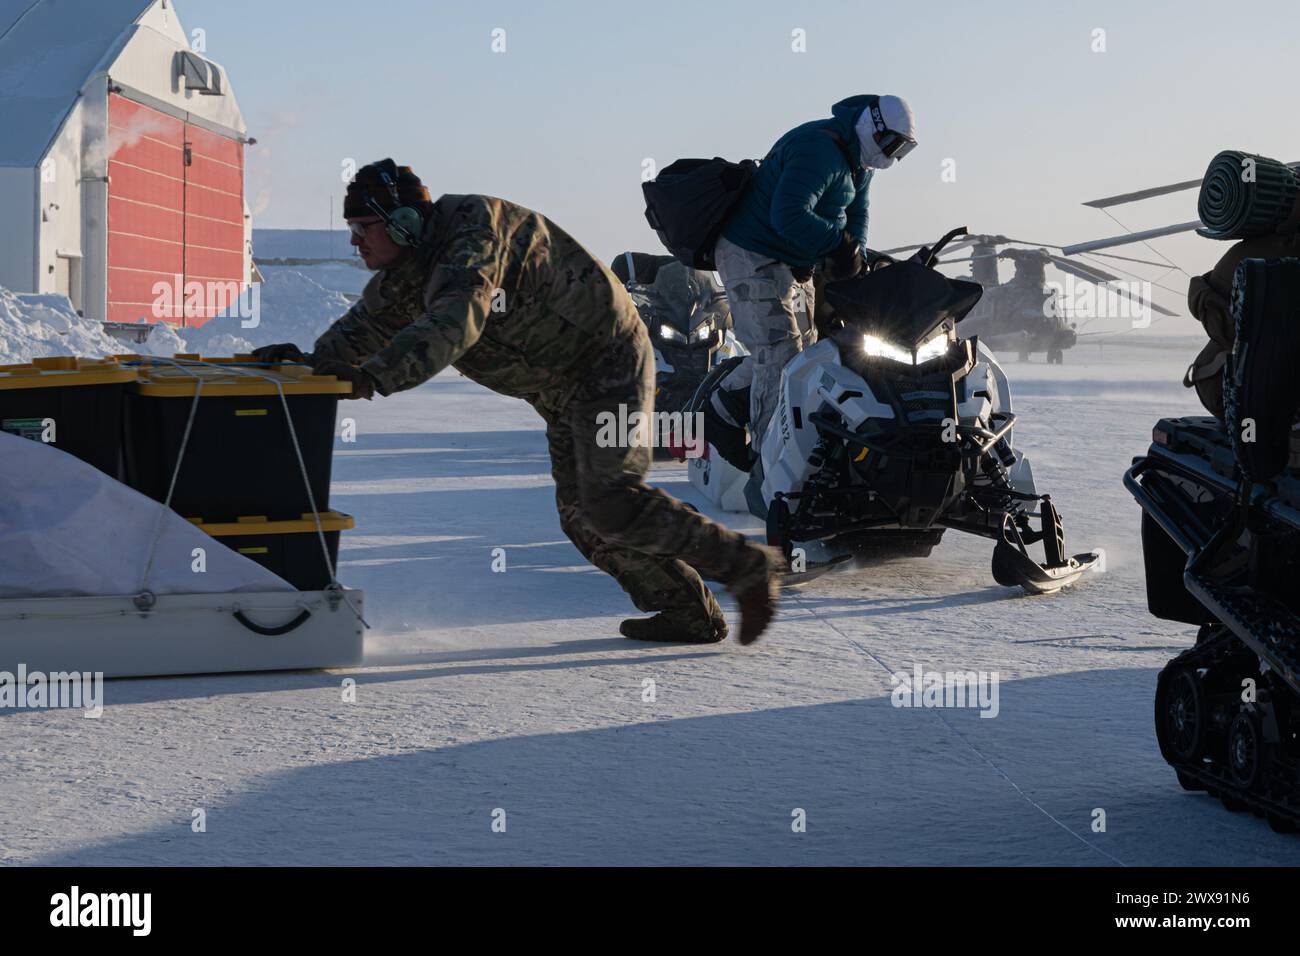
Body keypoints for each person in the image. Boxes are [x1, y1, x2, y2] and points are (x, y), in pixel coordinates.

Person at [253, 160, 780, 645]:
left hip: (608, 365)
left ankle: (745, 566)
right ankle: (689, 613)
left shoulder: (473, 233)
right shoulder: (409, 271)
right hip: (560, 390)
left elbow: (456, 319)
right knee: (583, 517)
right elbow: (362, 327)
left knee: (613, 500)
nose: (353, 241)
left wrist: (371, 377)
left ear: (403, 223)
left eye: (362, 227)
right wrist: (310, 364)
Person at [711, 94, 917, 461]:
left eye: (902, 151)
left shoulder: (860, 163)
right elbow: (787, 215)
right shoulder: (818, 149)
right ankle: (767, 462)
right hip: (751, 254)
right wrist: (838, 245)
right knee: (779, 355)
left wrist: (857, 258)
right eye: (890, 145)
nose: (892, 156)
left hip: (796, 261)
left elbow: (857, 217)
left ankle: (727, 401)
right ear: (871, 126)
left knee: (807, 359)